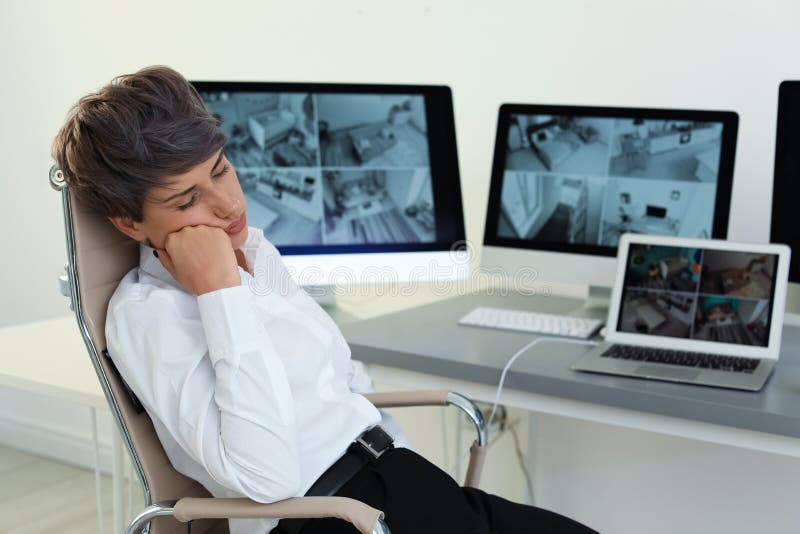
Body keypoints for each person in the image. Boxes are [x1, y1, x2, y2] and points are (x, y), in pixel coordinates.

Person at [51, 65, 598, 534]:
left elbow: (343, 380)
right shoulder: (146, 316)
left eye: (221, 169)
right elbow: (268, 479)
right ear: (129, 222)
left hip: (400, 486)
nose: (226, 203)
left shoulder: (255, 251)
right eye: (188, 199)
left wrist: (408, 473)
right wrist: (218, 294)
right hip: (326, 519)